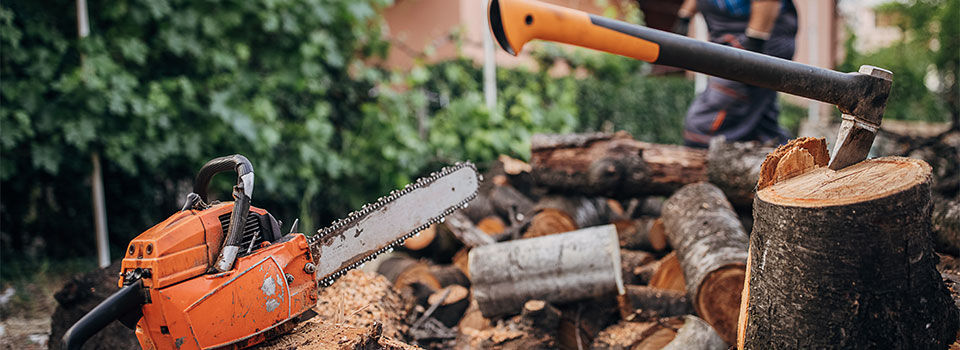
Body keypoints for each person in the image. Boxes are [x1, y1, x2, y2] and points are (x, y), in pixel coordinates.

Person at [672, 0, 798, 148]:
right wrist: (685, 16)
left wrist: (753, 45)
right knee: (762, 126)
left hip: (759, 39)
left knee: (704, 124)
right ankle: (790, 162)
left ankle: (696, 163)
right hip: (730, 39)